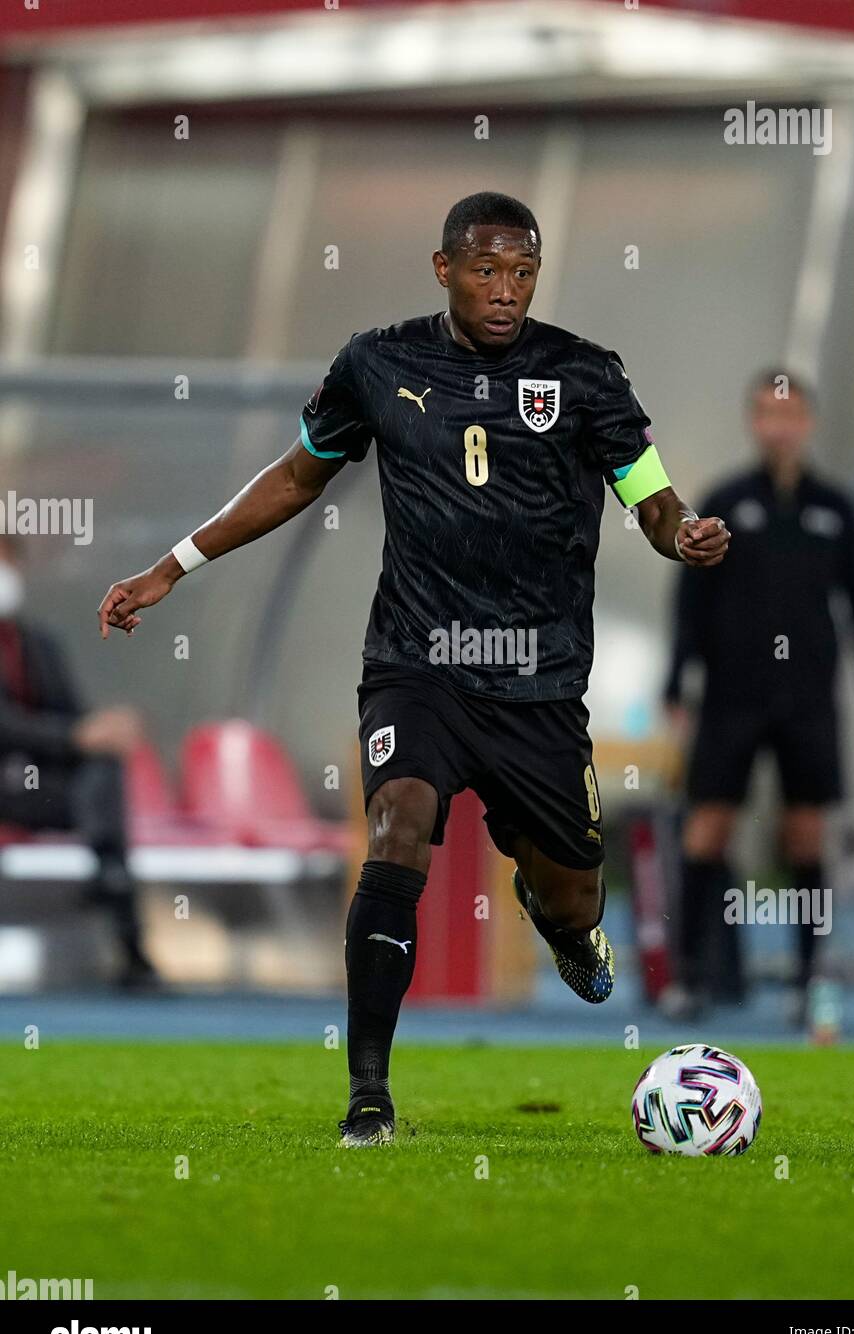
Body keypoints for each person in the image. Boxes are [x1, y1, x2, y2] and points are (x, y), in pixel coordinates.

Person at [97, 190, 730, 1145]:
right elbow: (297, 475)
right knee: (398, 827)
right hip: (416, 663)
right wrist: (172, 566)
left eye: (522, 272)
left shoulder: (582, 373)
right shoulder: (378, 363)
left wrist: (678, 532)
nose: (506, 290)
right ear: (444, 270)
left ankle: (557, 920)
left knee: (574, 895)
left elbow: (642, 482)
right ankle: (368, 1097)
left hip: (539, 681)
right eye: (486, 270)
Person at [663, 369, 854, 1024]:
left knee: (806, 834)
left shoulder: (834, 508)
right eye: (766, 413)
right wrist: (676, 681)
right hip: (733, 695)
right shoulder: (725, 502)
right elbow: (691, 599)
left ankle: (809, 978)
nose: (778, 426)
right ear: (753, 422)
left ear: (808, 423)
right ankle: (687, 974)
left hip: (809, 699)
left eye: (789, 414)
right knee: (707, 828)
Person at [0, 533, 158, 988]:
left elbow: (73, 716)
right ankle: (112, 877)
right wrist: (76, 735)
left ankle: (117, 901)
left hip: (39, 789)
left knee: (103, 767)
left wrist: (104, 730)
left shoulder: (37, 643)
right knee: (93, 762)